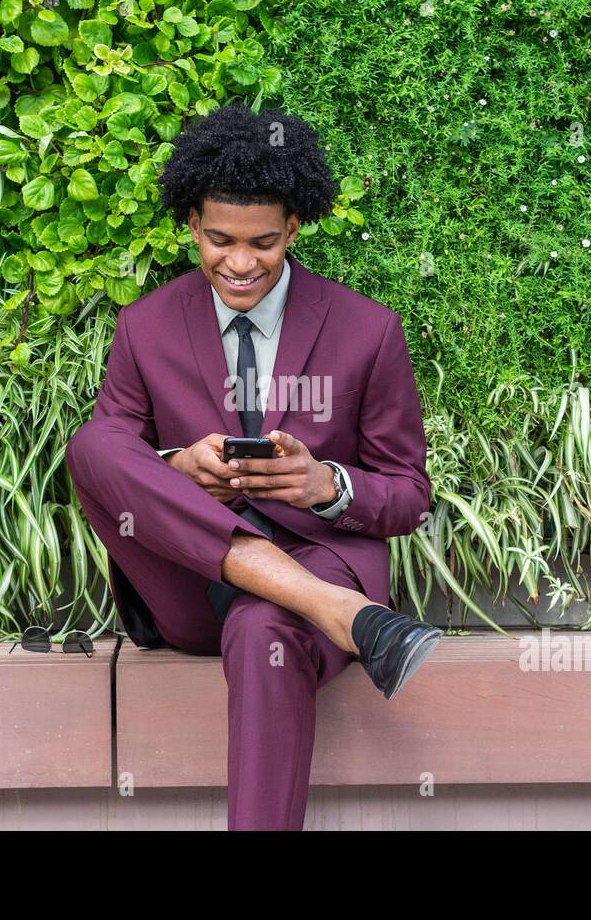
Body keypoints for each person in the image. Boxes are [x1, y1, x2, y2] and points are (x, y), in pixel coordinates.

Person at [64, 102, 442, 831]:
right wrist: (178, 469)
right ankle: (345, 617)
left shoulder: (368, 330)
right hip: (192, 587)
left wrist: (328, 487)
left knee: (266, 626)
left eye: (263, 242)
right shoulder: (145, 326)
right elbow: (111, 464)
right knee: (93, 444)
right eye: (218, 239)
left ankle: (312, 598)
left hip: (316, 560)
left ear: (294, 229)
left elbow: (409, 495)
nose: (239, 263)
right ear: (191, 225)